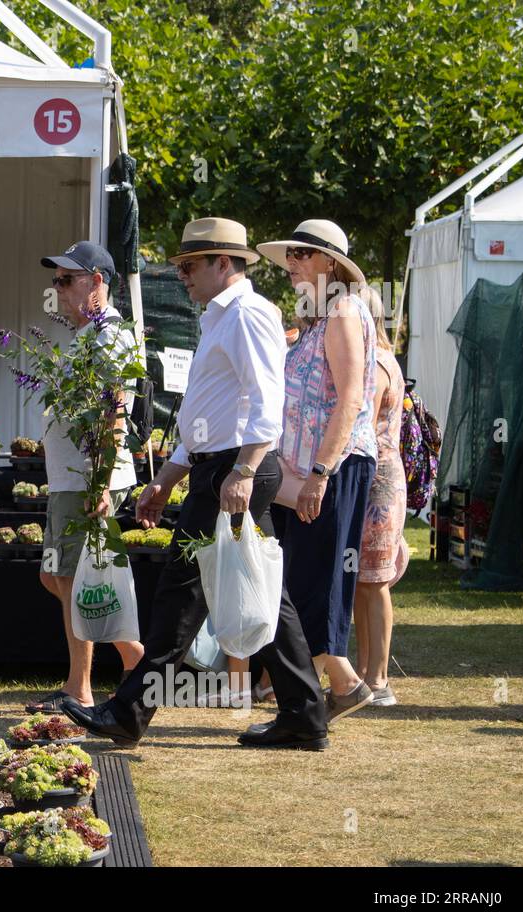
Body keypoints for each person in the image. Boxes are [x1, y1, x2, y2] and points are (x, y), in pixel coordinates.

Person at [62, 219, 328, 750]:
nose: (181, 275)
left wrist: (245, 470)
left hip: (234, 468)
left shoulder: (247, 315)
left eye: (190, 265)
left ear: (223, 264)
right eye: (181, 265)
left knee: (180, 596)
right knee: (263, 594)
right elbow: (205, 414)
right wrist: (165, 480)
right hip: (220, 466)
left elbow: (266, 401)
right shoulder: (219, 316)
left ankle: (130, 711)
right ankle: (305, 714)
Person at [256, 219, 379, 723]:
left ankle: (313, 700)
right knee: (298, 578)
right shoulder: (320, 317)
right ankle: (341, 686)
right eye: (289, 254)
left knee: (314, 580)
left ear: (330, 262)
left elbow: (349, 400)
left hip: (331, 466)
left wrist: (321, 471)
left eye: (302, 254)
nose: (291, 264)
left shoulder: (344, 313)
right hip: (305, 470)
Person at [27, 240, 144, 714]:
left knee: (76, 580)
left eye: (66, 280)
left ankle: (95, 679)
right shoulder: (86, 335)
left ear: (97, 282)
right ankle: (121, 662)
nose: (57, 289)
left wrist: (98, 478)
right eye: (55, 280)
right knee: (57, 576)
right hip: (69, 480)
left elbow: (114, 410)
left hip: (88, 480)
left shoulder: (110, 335)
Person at [353, 290, 407, 706]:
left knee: (375, 580)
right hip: (379, 475)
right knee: (362, 582)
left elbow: (364, 426)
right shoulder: (384, 360)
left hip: (378, 480)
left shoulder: (377, 366)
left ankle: (379, 677)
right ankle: (366, 672)